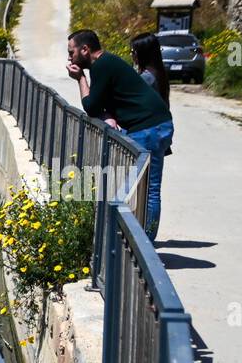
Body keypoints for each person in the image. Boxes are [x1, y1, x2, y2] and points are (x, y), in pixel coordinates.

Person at [67, 29, 174, 239]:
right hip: (157, 124)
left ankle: (146, 247)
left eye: (72, 52)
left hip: (148, 128)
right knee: (140, 189)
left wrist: (80, 79)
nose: (69, 57)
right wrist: (109, 113)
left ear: (85, 50)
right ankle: (141, 240)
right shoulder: (107, 63)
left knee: (147, 190)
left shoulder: (102, 66)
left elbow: (90, 105)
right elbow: (106, 102)